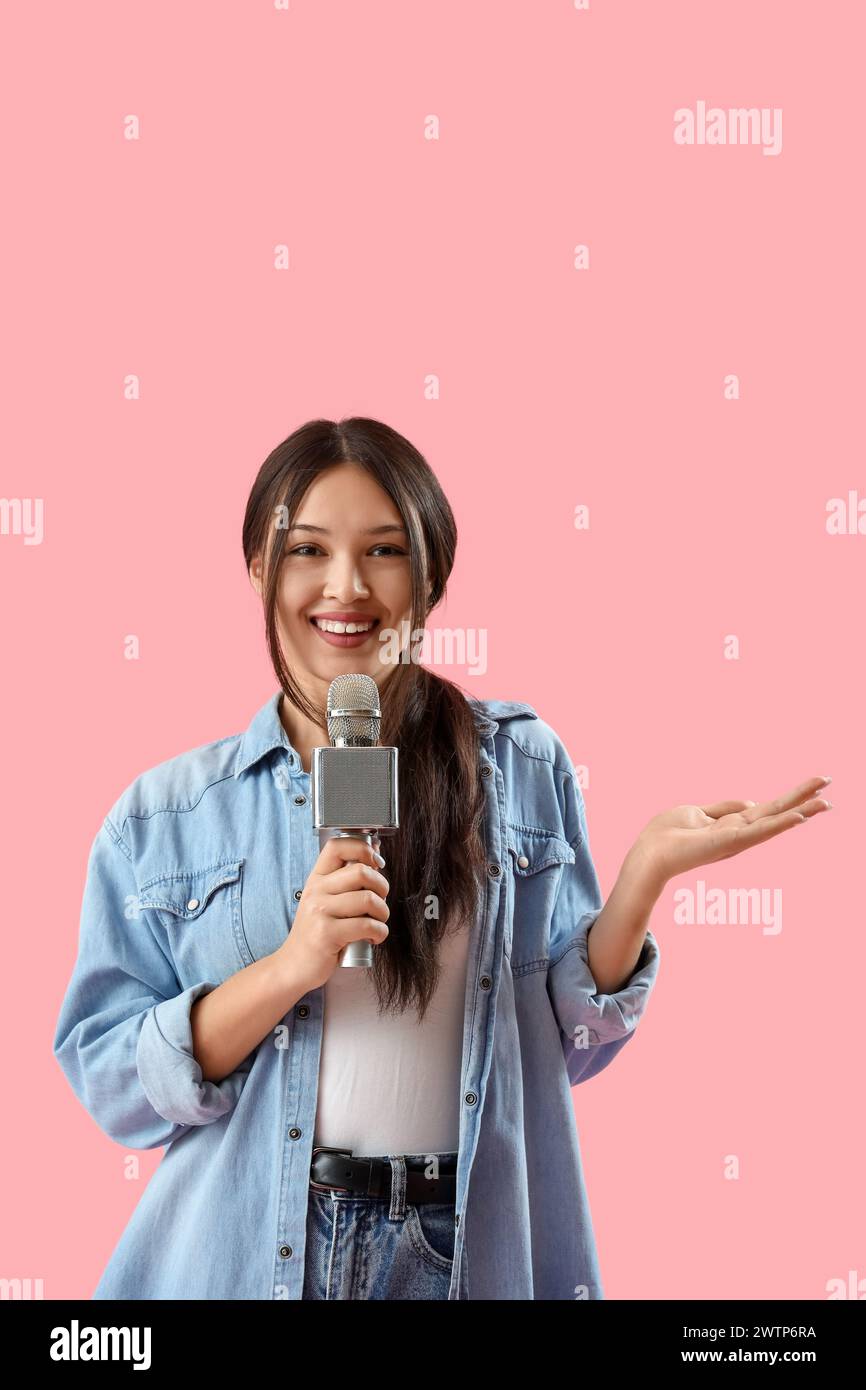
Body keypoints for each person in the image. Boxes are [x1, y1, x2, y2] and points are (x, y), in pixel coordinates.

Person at [53, 416, 828, 1300]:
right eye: (308, 550)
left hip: (466, 1248)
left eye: (384, 551)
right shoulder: (164, 819)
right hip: (251, 1257)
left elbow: (569, 1044)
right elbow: (114, 1086)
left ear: (431, 576)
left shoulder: (517, 767)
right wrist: (288, 969)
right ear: (261, 571)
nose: (346, 586)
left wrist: (643, 874)